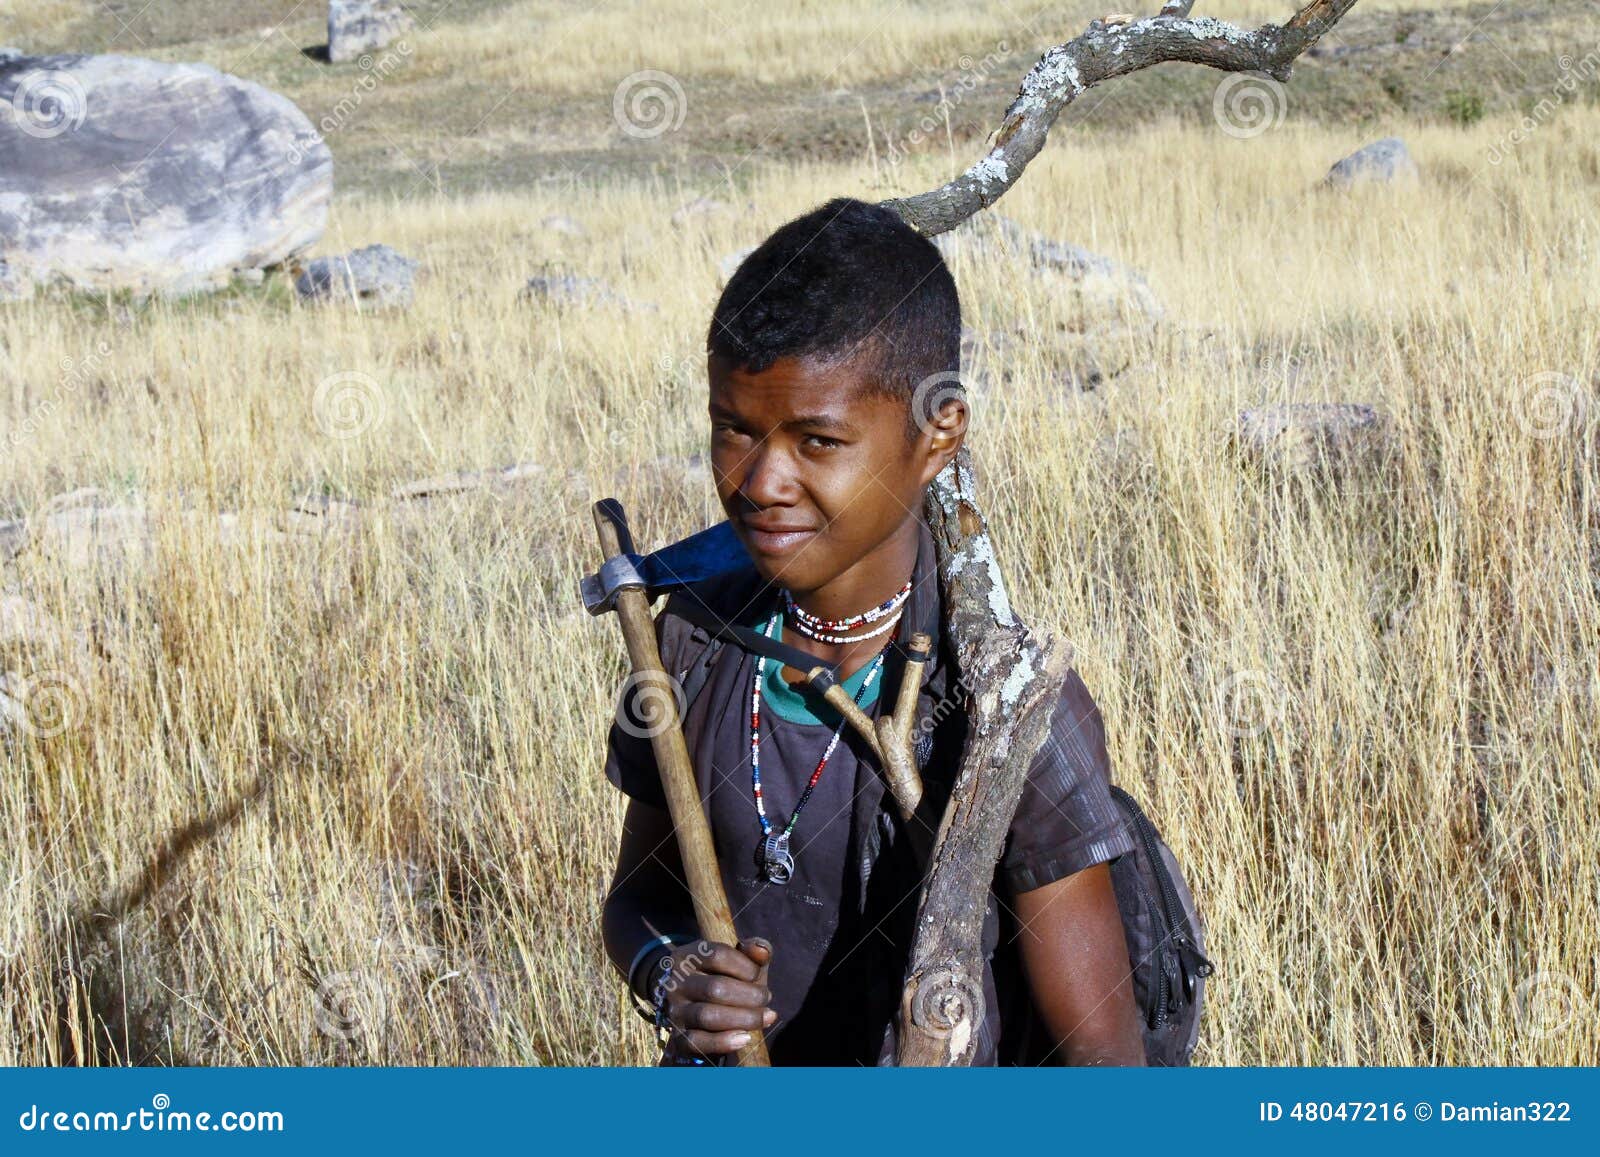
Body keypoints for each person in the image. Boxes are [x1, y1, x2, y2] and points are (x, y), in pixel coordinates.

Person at [600, 195, 1144, 1066]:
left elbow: (1105, 1064)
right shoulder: (693, 645)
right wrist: (673, 975)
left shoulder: (1006, 713)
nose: (761, 480)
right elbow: (637, 901)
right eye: (733, 429)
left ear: (938, 435)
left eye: (818, 441)